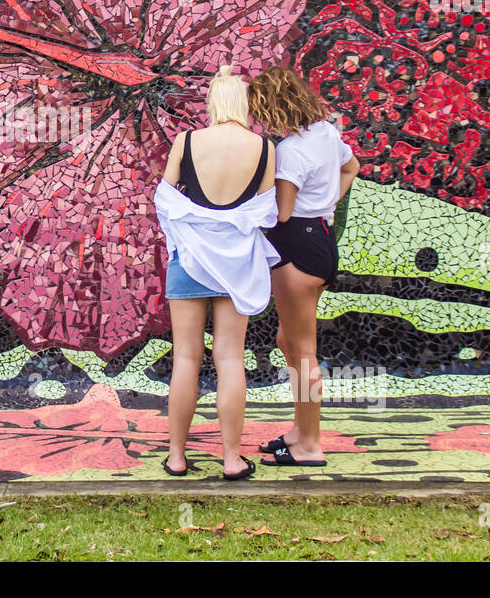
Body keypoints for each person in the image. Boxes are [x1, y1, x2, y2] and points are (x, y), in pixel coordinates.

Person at [153, 66, 279, 480]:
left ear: (212, 102)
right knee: (230, 358)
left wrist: (195, 229)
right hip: (237, 266)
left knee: (185, 357)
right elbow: (264, 211)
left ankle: (176, 456)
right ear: (243, 104)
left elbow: (166, 199)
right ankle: (231, 458)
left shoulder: (187, 141)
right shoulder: (263, 148)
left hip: (189, 260)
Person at [246, 67, 360, 468]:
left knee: (304, 352)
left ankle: (310, 444)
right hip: (322, 239)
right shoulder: (326, 133)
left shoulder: (291, 152)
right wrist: (327, 202)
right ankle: (299, 431)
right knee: (288, 342)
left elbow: (282, 213)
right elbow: (352, 167)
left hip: (295, 244)